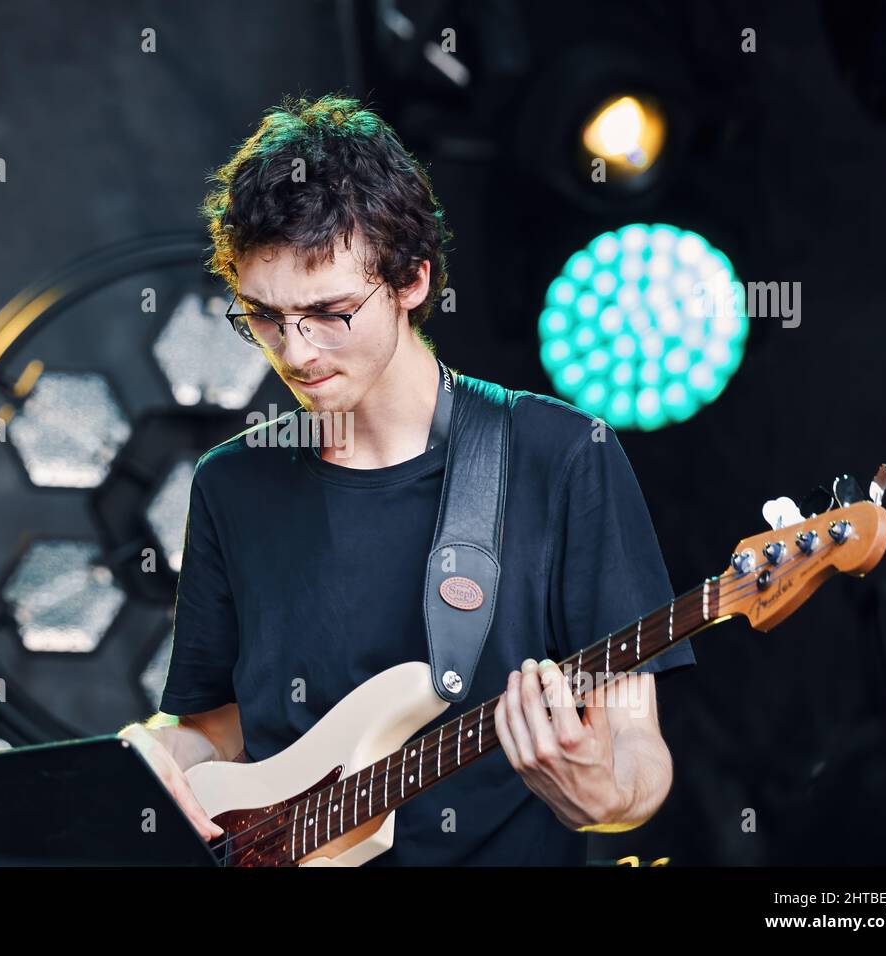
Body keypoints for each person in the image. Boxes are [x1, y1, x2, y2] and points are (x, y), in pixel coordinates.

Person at [118, 93, 695, 865]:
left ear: (411, 280)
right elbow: (217, 726)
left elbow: (637, 746)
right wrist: (154, 756)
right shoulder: (232, 483)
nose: (295, 352)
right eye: (262, 316)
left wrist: (610, 795)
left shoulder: (558, 454)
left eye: (329, 311)